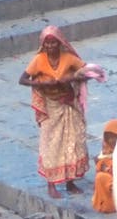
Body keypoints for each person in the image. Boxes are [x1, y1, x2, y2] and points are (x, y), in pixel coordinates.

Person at [19, 26, 91, 199]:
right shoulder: (38, 60)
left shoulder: (68, 58)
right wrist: (42, 84)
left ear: (60, 43)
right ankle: (51, 185)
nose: (51, 46)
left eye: (53, 43)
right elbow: (22, 79)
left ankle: (70, 182)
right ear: (43, 45)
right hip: (50, 105)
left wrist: (71, 78)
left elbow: (88, 72)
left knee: (72, 141)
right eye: (47, 43)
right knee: (51, 143)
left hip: (68, 103)